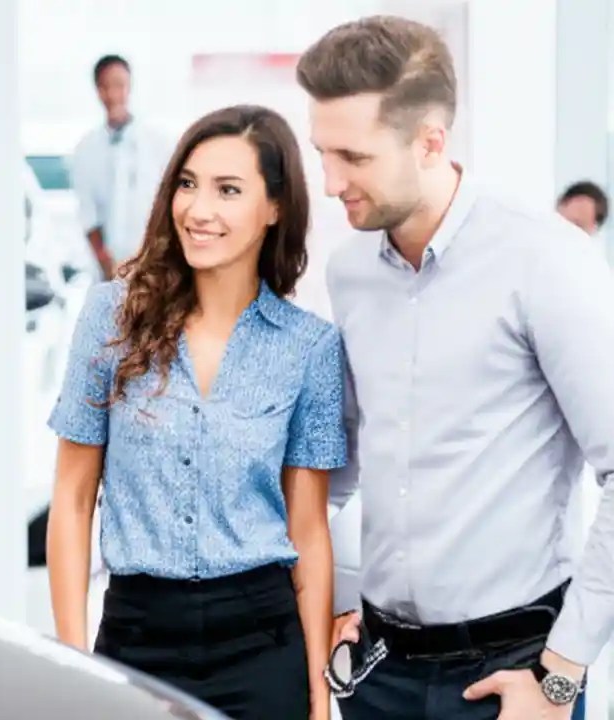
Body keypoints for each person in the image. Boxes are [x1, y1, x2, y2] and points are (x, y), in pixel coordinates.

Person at [297, 15, 614, 720]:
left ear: (430, 142)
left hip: (513, 678)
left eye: (352, 157)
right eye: (323, 153)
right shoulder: (350, 274)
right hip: (379, 673)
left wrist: (559, 678)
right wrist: (331, 601)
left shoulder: (545, 261)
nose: (329, 182)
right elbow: (345, 466)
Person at [46, 104, 346, 720]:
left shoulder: (308, 347)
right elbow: (73, 500)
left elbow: (309, 529)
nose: (198, 209)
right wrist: (69, 667)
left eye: (228, 190)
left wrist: (318, 696)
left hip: (262, 646)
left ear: (275, 208)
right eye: (187, 184)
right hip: (136, 639)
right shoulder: (110, 317)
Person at [70, 54, 176, 280]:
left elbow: (170, 201)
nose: (113, 94)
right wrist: (108, 266)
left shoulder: (158, 142)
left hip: (154, 262)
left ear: (130, 86)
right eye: (105, 86)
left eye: (119, 85)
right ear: (97, 90)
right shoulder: (85, 150)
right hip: (110, 269)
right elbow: (88, 216)